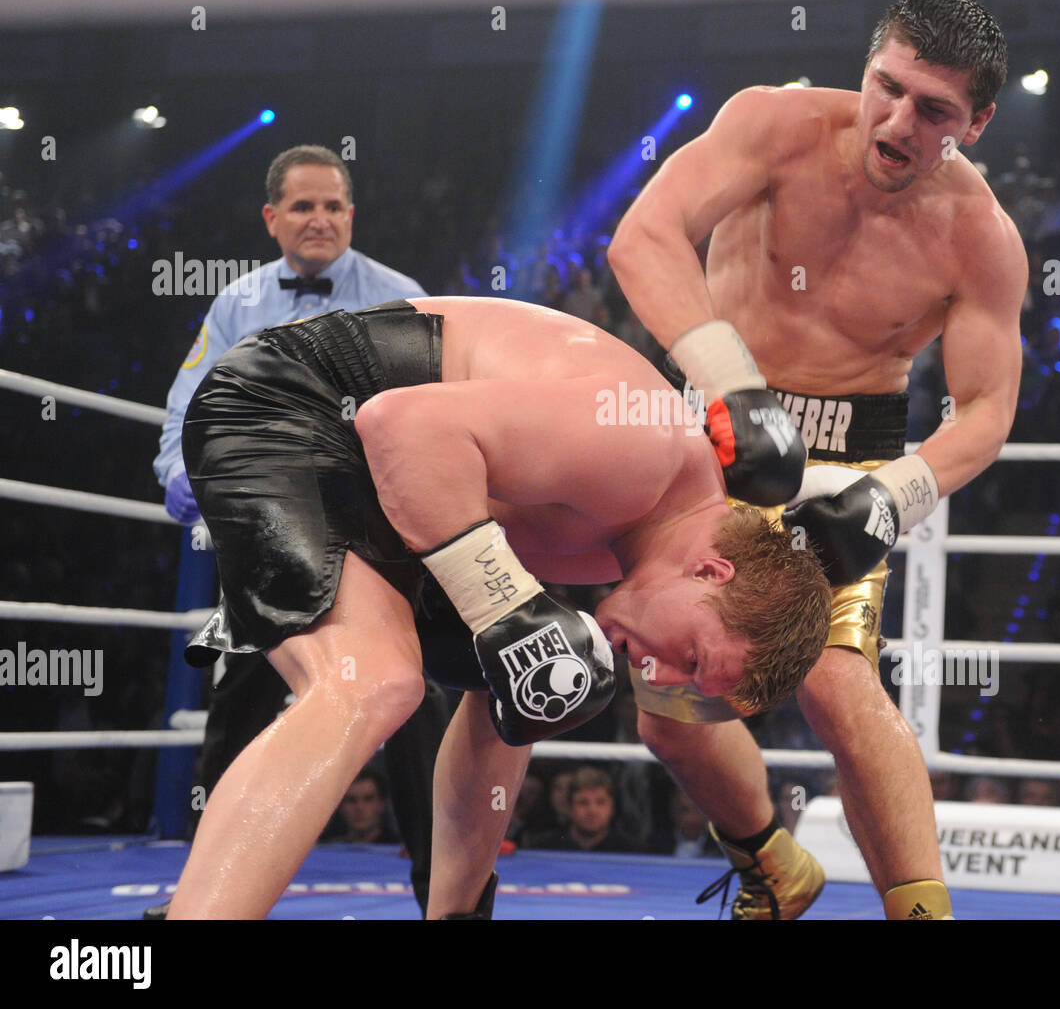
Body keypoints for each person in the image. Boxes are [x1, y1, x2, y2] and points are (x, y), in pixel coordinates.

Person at [165, 295, 831, 919]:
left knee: (518, 683)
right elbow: (400, 424)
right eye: (691, 656)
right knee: (371, 678)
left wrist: (507, 621)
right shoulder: (646, 454)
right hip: (295, 401)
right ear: (712, 569)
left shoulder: (655, 529)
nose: (659, 677)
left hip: (380, 483)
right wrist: (501, 602)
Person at [607, 0, 1026, 919]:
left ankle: (922, 910)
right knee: (673, 710)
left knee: (836, 678)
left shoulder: (980, 235)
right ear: (868, 65)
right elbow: (643, 235)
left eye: (935, 110)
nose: (899, 121)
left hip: (848, 458)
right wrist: (731, 385)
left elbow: (988, 409)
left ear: (978, 121)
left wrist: (895, 497)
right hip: (715, 433)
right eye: (889, 87)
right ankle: (771, 862)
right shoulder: (773, 126)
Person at [147, 145, 447, 917]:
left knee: (414, 713)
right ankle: (200, 897)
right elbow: (186, 408)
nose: (322, 219)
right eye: (305, 206)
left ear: (353, 213)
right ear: (271, 217)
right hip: (270, 531)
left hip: (376, 536)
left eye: (336, 205)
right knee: (238, 710)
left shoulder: (401, 296)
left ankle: (442, 902)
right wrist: (192, 483)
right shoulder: (237, 305)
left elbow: (442, 419)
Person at [526, 767, 638, 853]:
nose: (592, 811)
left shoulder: (632, 852)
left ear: (612, 808)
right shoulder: (543, 848)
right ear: (569, 807)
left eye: (600, 802)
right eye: (583, 803)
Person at [325, 767, 400, 844]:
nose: (359, 808)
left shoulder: (402, 850)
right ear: (340, 806)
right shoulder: (325, 849)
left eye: (368, 799)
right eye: (351, 800)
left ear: (382, 803)